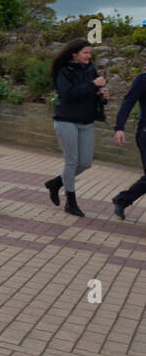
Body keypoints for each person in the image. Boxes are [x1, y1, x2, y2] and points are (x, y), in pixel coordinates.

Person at [44, 38, 108, 216]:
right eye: (85, 52)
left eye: (90, 52)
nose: (89, 55)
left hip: (86, 121)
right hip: (66, 120)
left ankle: (56, 183)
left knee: (85, 162)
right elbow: (68, 93)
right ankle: (70, 202)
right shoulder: (63, 70)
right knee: (71, 161)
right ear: (74, 53)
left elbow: (93, 92)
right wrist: (93, 85)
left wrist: (102, 95)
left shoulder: (90, 69)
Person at [111, 66, 146, 221]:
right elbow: (128, 103)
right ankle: (123, 199)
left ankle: (123, 199)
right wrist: (119, 128)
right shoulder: (142, 79)